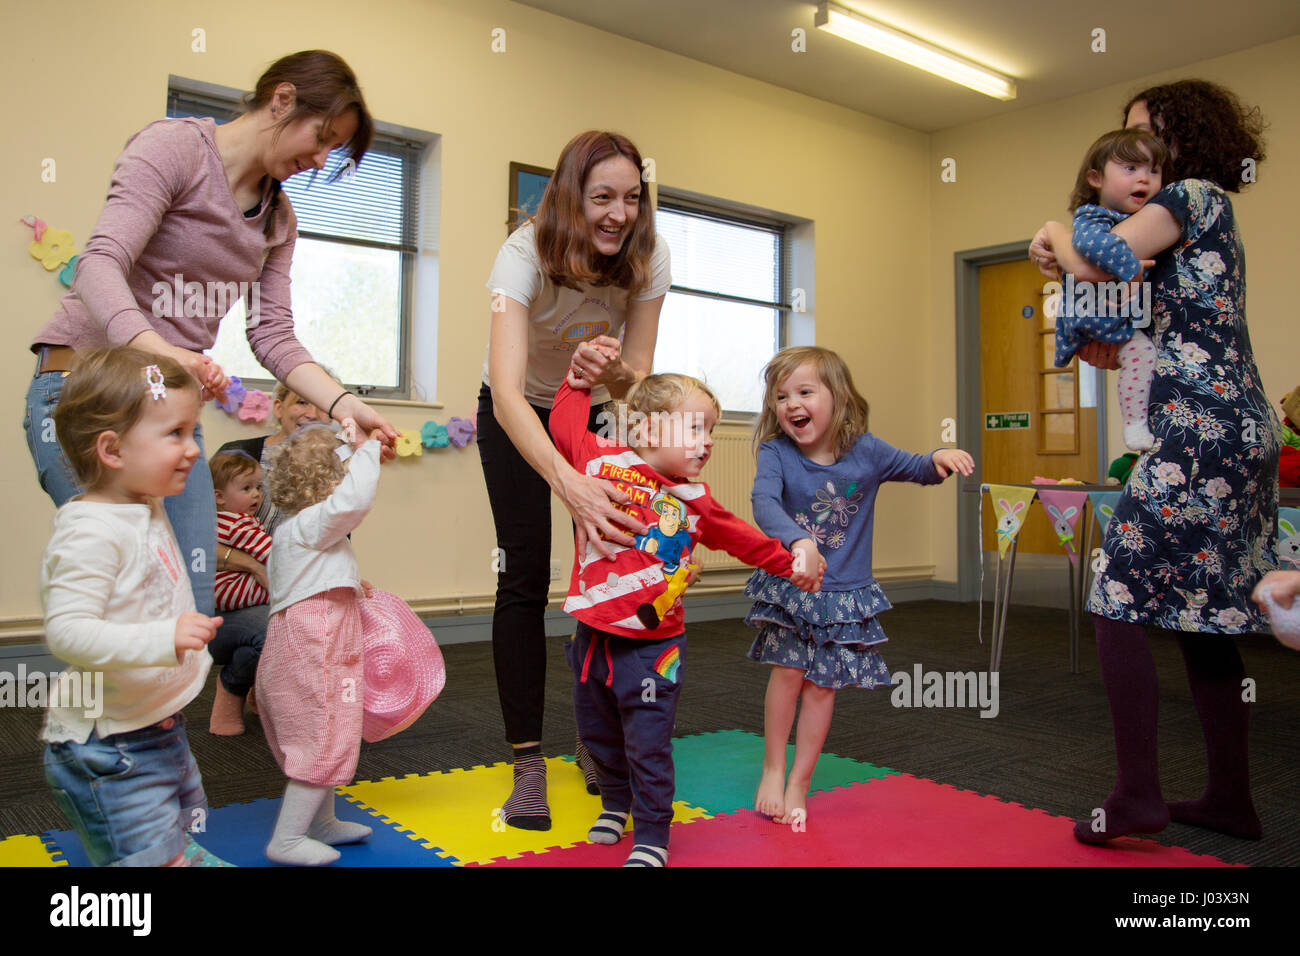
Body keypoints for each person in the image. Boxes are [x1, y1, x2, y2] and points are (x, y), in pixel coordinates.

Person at [24, 49, 398, 622]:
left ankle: (164, 716)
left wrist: (347, 404)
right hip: (86, 395)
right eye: (321, 138)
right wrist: (161, 350)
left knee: (187, 604)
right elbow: (100, 264)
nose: (321, 160)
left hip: (169, 413)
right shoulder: (174, 149)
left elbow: (272, 333)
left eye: (333, 150)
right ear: (283, 99)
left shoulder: (279, 220)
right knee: (127, 600)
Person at [1031, 80, 1277, 843]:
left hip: (1202, 431)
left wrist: (1053, 236)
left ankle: (1137, 795)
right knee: (1203, 618)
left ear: (1178, 141)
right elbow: (1115, 322)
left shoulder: (1196, 195)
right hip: (1233, 426)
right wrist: (1076, 282)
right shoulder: (1194, 223)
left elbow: (1102, 263)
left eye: (1144, 143)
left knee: (1113, 594)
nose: (1134, 161)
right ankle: (1231, 798)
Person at [550, 368, 819, 866]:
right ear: (649, 431)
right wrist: (578, 375)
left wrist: (790, 565)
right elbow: (564, 423)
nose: (708, 442)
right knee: (597, 732)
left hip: (655, 647)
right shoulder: (599, 462)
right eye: (696, 428)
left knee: (647, 741)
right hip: (592, 637)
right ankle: (615, 803)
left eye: (711, 431)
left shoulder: (695, 502)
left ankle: (653, 833)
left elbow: (746, 540)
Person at [479, 130, 670, 829]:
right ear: (570, 197)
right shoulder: (523, 254)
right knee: (523, 575)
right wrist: (568, 481)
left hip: (593, 404)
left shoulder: (650, 254)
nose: (619, 213)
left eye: (630, 197)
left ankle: (599, 740)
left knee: (610, 572)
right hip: (516, 406)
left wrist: (609, 370)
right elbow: (505, 393)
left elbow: (639, 374)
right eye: (601, 198)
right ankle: (529, 765)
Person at [744, 347, 973, 823]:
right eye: (781, 396)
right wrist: (799, 541)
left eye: (804, 392)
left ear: (839, 397)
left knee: (822, 687)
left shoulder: (866, 451)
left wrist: (939, 456)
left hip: (845, 593)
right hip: (793, 585)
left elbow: (916, 467)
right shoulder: (776, 453)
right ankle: (772, 766)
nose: (790, 404)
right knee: (787, 674)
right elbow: (764, 504)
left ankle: (799, 782)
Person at [40, 348, 228, 866]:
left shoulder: (141, 497)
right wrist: (160, 638)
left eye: (192, 432)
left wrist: (192, 399)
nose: (192, 449)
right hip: (107, 747)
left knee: (182, 828)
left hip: (158, 725)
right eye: (176, 435)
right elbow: (68, 632)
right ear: (111, 450)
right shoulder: (90, 531)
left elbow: (152, 405)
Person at [256, 422, 382, 866]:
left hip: (301, 645)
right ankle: (287, 839)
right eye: (345, 473)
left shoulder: (295, 531)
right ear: (331, 483)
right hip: (316, 649)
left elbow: (309, 582)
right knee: (323, 734)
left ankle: (322, 822)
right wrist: (367, 451)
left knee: (326, 729)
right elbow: (358, 500)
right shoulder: (311, 524)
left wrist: (351, 585)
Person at [1056, 128, 1169, 451]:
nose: (1144, 179)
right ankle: (1134, 425)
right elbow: (1089, 244)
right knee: (1144, 353)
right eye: (1131, 168)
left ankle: (1136, 423)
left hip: (1108, 312)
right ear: (1095, 178)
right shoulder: (1093, 216)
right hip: (1092, 313)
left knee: (1141, 356)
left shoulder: (1134, 217)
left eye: (1154, 170)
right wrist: (1130, 267)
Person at [207, 450, 274, 735]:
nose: (256, 495)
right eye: (246, 489)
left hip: (222, 591)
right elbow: (276, 556)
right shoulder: (240, 524)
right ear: (220, 496)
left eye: (258, 487)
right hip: (227, 593)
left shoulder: (223, 520)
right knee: (284, 604)